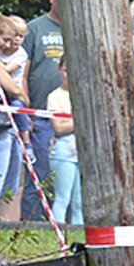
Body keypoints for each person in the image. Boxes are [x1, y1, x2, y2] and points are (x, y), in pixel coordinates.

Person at [0, 13, 29, 221]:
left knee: (10, 180)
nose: (8, 45)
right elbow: (10, 86)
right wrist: (22, 96)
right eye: (5, 40)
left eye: (12, 40)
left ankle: (2, 223)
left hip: (3, 122)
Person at [22, 0, 65, 221]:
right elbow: (23, 71)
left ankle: (62, 222)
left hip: (68, 117)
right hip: (38, 114)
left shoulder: (75, 29)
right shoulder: (35, 28)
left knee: (65, 175)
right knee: (38, 173)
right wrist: (25, 110)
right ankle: (32, 222)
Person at [46, 60, 82, 226]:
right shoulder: (54, 96)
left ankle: (79, 230)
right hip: (63, 153)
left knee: (79, 202)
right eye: (67, 70)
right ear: (60, 70)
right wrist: (82, 120)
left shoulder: (83, 96)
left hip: (82, 154)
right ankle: (57, 228)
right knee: (62, 197)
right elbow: (58, 127)